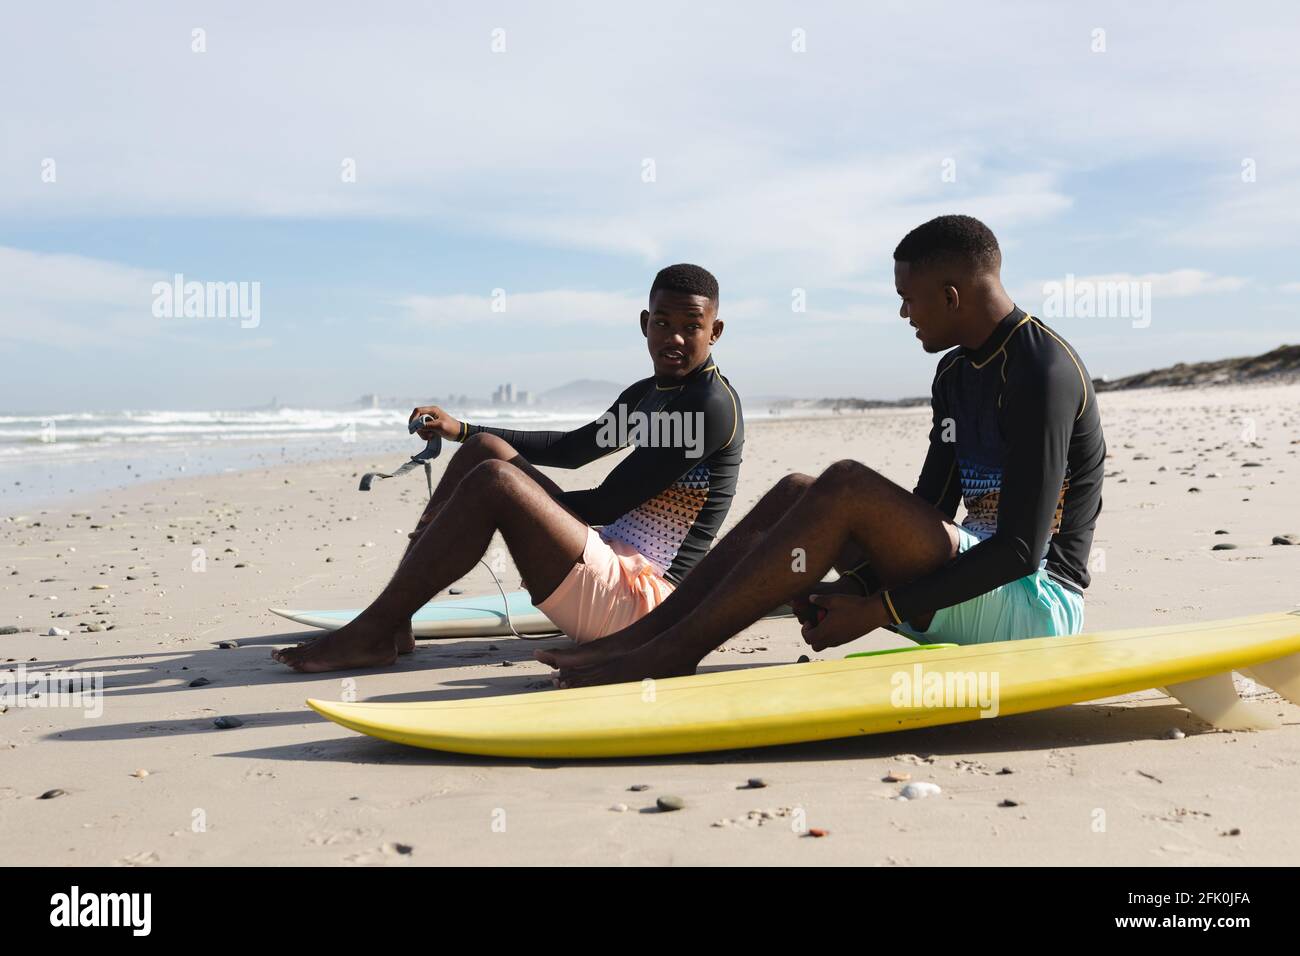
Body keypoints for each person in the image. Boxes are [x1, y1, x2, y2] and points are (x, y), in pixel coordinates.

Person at [539, 214, 1105, 687]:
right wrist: (853, 588)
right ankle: (647, 639)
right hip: (964, 585)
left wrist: (878, 610)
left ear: (951, 296)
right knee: (796, 493)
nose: (905, 313)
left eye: (908, 299)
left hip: (1035, 606)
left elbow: (1020, 551)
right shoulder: (955, 373)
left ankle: (667, 654)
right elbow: (929, 511)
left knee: (846, 484)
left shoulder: (1041, 371)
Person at [273, 264, 744, 672]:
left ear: (715, 331)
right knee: (485, 450)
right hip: (611, 568)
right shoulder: (649, 393)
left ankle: (372, 631)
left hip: (644, 607)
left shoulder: (708, 407)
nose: (674, 338)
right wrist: (463, 430)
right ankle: (393, 623)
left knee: (494, 482)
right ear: (645, 323)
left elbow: (608, 502)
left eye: (692, 326)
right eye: (662, 322)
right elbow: (573, 449)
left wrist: (500, 505)